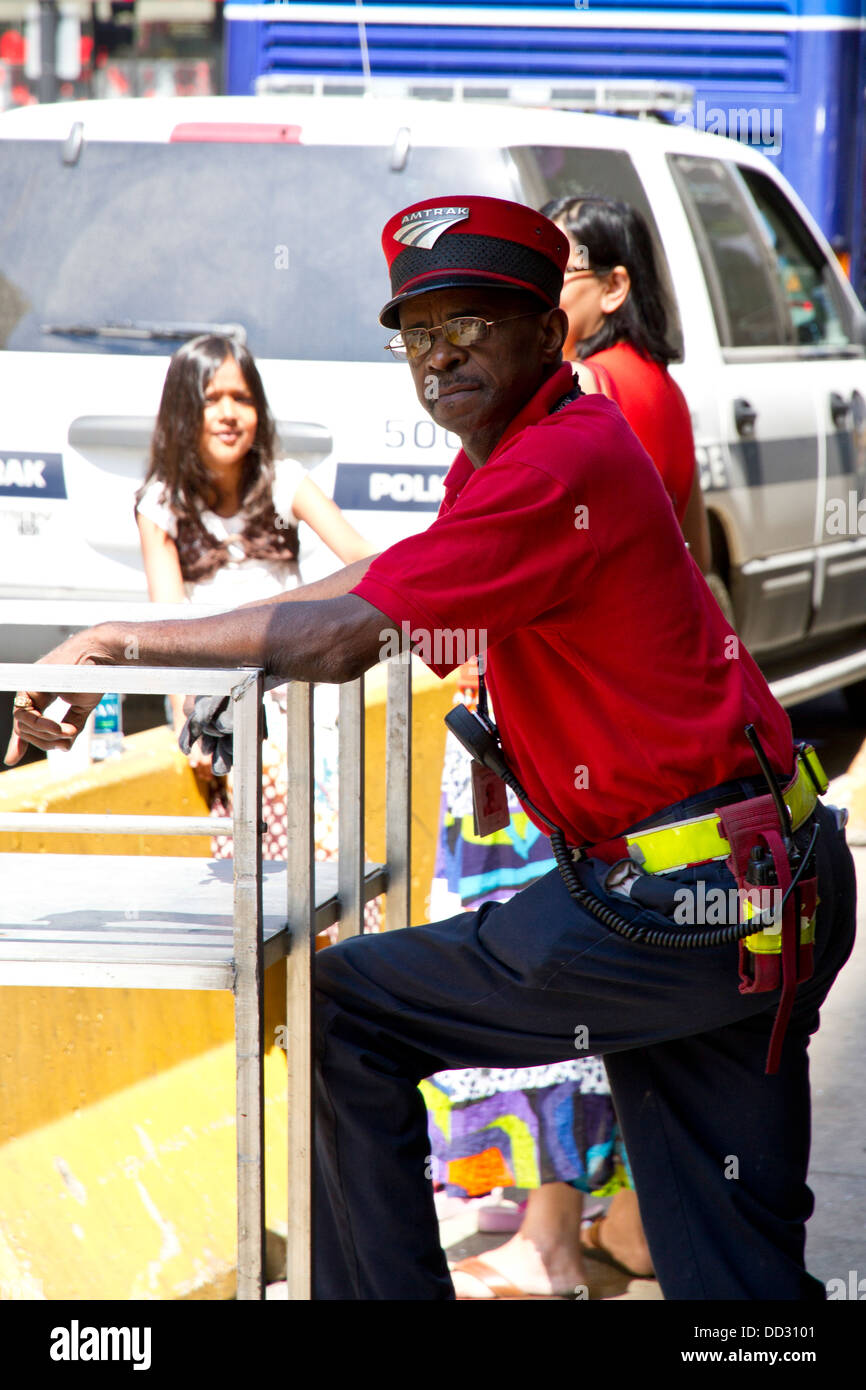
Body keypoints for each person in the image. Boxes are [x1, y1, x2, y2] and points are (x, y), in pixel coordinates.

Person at [7, 196, 856, 1302]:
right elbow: (373, 585)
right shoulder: (517, 456)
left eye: (473, 321)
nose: (439, 350)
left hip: (682, 900)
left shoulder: (561, 462)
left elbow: (341, 634)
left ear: (547, 335)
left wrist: (120, 640)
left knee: (348, 1008)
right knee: (733, 1282)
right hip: (753, 885)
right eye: (417, 331)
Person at [434, 195, 711, 1298]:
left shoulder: (594, 406)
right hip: (638, 765)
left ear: (608, 291)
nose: (534, 298)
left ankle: (548, 1236)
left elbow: (514, 580)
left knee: (551, 991)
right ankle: (627, 1220)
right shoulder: (651, 394)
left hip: (587, 767)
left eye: (556, 272)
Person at [134, 332, 373, 859]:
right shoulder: (159, 505)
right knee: (251, 873)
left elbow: (362, 558)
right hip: (223, 709)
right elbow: (170, 626)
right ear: (181, 412)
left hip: (301, 696)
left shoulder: (285, 481)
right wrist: (186, 714)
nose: (228, 413)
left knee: (324, 861)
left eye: (241, 399)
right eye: (211, 398)